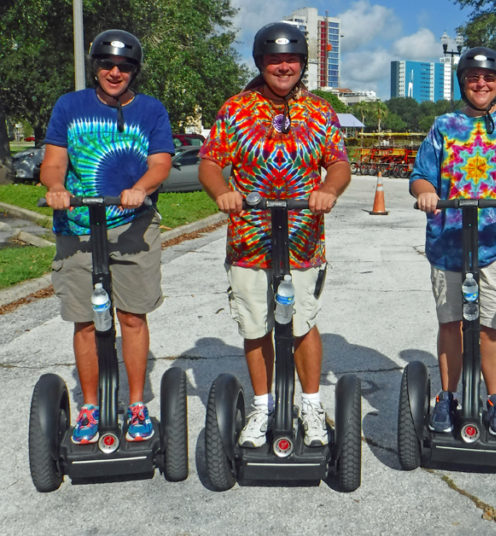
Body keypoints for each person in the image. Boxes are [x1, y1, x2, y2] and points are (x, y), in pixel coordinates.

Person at [198, 22, 350, 449]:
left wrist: (328, 189)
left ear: (302, 64)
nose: (283, 67)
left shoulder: (319, 111)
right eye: (274, 60)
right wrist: (223, 192)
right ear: (261, 62)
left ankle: (311, 404)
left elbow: (338, 163)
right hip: (249, 238)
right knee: (255, 326)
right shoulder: (236, 108)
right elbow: (210, 161)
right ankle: (262, 406)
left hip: (303, 237)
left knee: (302, 323)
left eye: (291, 60)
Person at [40, 29, 174, 444]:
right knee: (85, 321)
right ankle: (90, 407)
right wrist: (56, 189)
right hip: (78, 225)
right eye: (107, 65)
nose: (115, 73)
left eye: (124, 67)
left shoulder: (150, 110)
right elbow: (53, 162)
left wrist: (143, 188)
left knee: (132, 316)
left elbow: (161, 162)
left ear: (134, 72)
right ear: (95, 66)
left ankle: (136, 404)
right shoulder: (70, 106)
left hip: (132, 223)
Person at [410, 47, 496, 437]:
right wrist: (425, 193)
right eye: (473, 78)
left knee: (492, 326)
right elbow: (421, 174)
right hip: (448, 238)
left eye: (488, 78)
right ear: (463, 83)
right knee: (450, 323)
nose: (481, 84)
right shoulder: (444, 126)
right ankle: (448, 396)